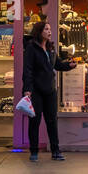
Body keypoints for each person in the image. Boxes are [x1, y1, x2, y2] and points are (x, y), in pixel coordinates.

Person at [22, 20, 74, 162]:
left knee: (52, 121)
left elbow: (57, 65)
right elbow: (28, 70)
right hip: (36, 90)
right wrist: (27, 89)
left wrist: (69, 65)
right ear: (39, 32)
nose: (49, 32)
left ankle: (55, 150)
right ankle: (34, 151)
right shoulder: (31, 48)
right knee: (35, 121)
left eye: (50, 29)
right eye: (46, 29)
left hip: (50, 89)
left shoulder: (50, 48)